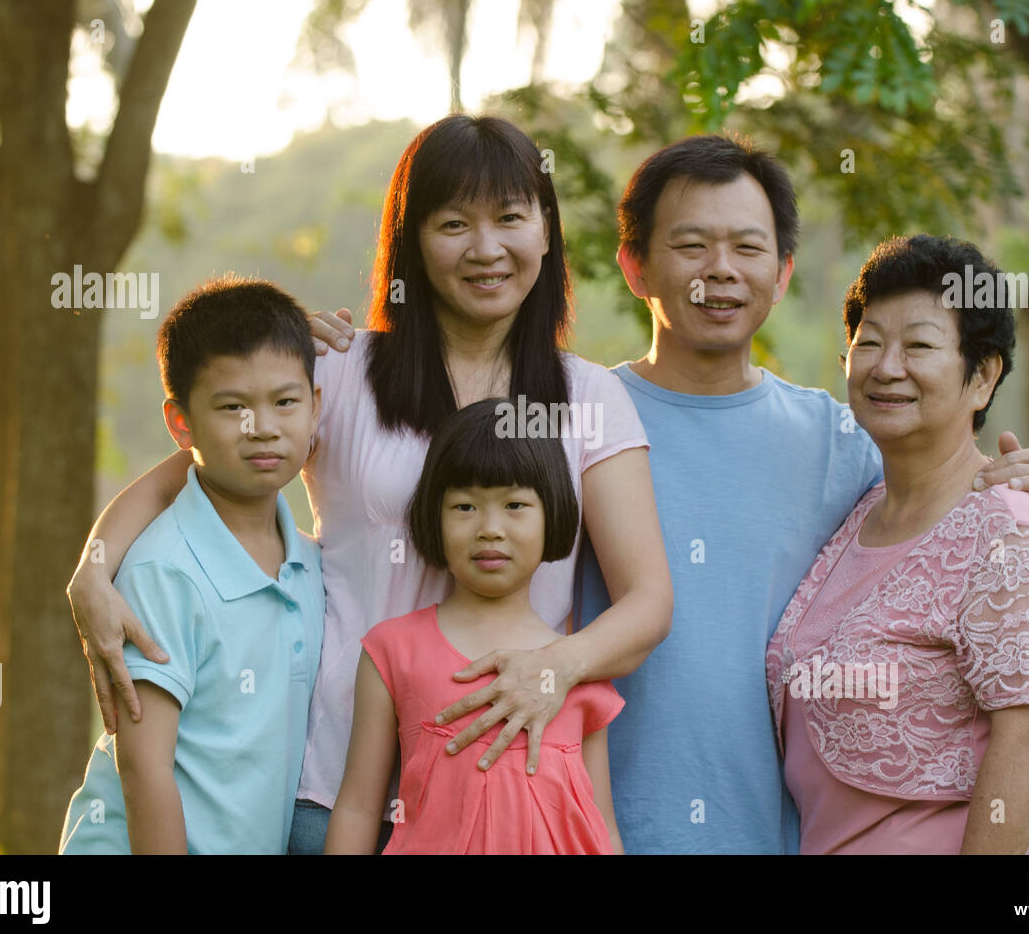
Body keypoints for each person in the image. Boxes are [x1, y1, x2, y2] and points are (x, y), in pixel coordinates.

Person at [64, 115, 672, 855]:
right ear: (413, 238)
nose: (486, 249)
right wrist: (94, 570)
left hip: (493, 786)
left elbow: (647, 603)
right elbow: (199, 462)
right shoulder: (341, 371)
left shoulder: (587, 398)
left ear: (546, 231)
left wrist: (552, 672)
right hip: (326, 787)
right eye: (454, 223)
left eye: (511, 218)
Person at [569, 134, 1029, 853]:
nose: (721, 271)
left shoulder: (841, 444)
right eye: (691, 245)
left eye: (747, 248)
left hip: (783, 837)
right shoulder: (575, 420)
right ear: (634, 265)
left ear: (781, 274)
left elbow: (959, 509)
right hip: (602, 827)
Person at [766, 234, 1029, 854]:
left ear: (982, 377)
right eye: (870, 342)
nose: (886, 366)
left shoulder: (1009, 533)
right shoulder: (855, 516)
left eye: (920, 346)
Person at [59, 277, 325, 853]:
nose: (264, 427)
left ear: (315, 406)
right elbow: (143, 768)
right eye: (233, 407)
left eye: (285, 401)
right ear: (181, 423)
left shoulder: (311, 563)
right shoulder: (165, 571)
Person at [327, 399, 624, 854]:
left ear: (554, 515)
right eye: (465, 506)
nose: (489, 528)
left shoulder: (578, 667)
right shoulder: (393, 650)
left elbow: (599, 820)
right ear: (435, 516)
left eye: (515, 505)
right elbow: (359, 808)